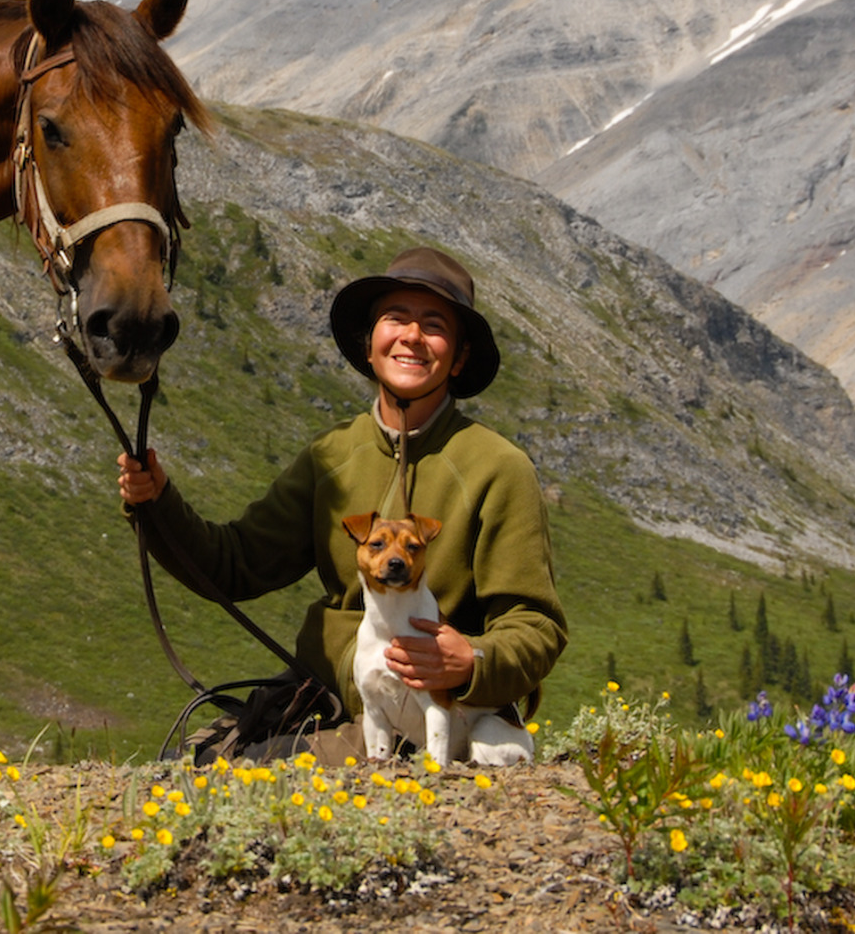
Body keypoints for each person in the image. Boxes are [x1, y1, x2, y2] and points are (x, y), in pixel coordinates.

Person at [118, 246, 566, 759]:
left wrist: (473, 660)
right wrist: (157, 502)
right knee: (193, 759)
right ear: (370, 344)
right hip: (321, 693)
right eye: (395, 318)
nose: (412, 336)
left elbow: (536, 624)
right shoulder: (332, 455)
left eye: (434, 324)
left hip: (431, 713)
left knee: (246, 774)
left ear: (460, 357)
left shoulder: (498, 467)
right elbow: (233, 565)